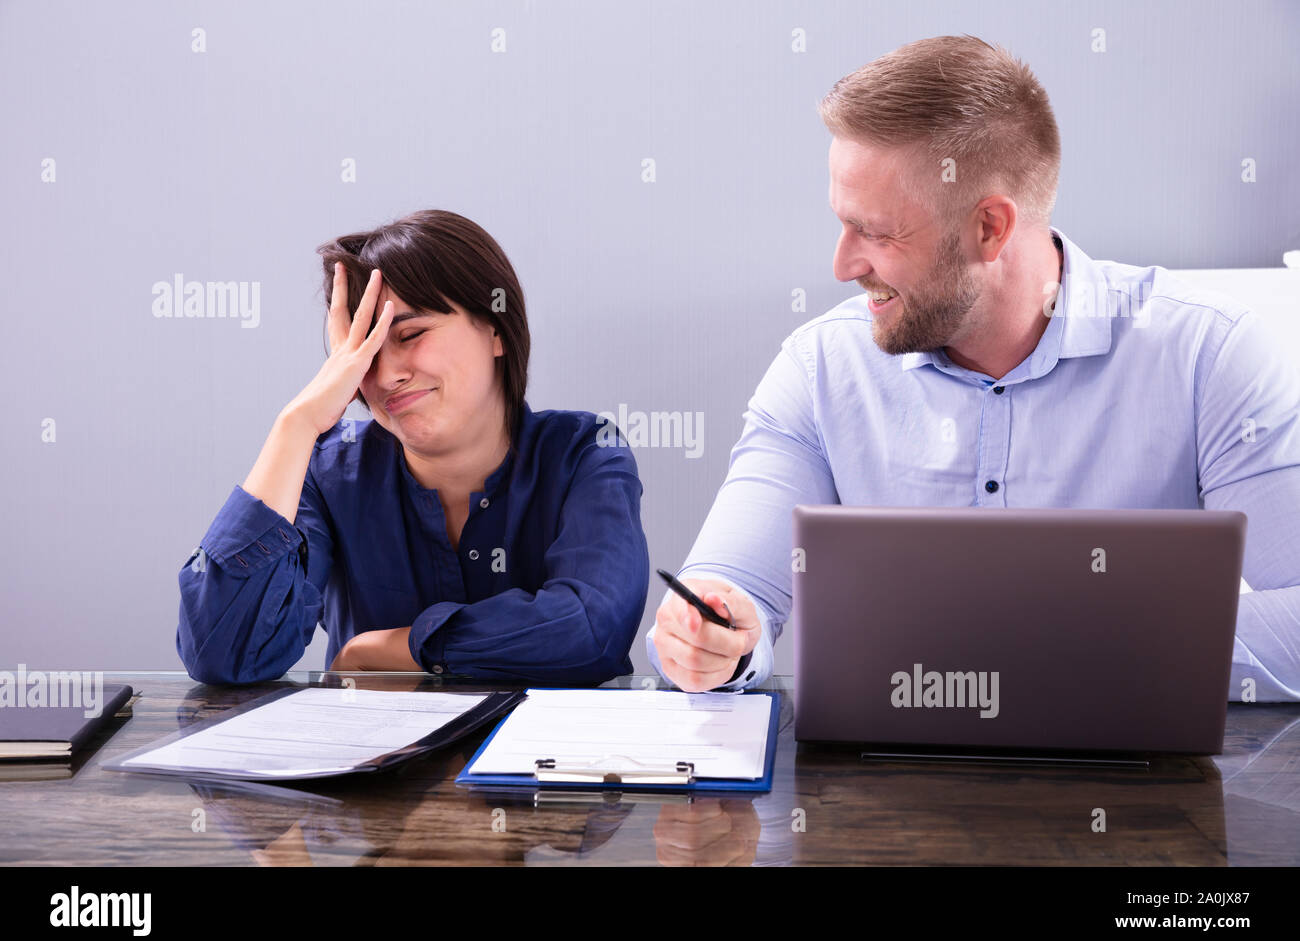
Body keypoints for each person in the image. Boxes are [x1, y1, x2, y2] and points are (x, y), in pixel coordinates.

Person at [646, 35, 1300, 699]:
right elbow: (730, 592)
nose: (843, 265)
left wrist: (1055, 641)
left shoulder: (1207, 355)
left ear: (990, 228)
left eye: (876, 232)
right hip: (876, 795)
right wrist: (710, 644)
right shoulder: (821, 368)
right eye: (843, 226)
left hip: (1140, 792)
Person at [178, 210, 649, 684]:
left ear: (497, 331)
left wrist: (389, 648)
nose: (385, 376)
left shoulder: (584, 454)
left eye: (410, 334)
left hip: (546, 757)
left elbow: (592, 632)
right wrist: (296, 425)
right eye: (363, 353)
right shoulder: (328, 473)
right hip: (379, 755)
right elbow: (226, 654)